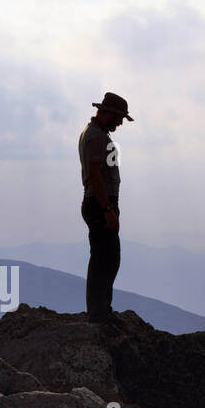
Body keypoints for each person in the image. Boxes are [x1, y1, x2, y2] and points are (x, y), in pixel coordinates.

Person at [79, 92, 132, 326]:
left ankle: (102, 309)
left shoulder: (97, 134)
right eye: (119, 118)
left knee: (108, 257)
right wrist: (108, 208)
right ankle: (98, 314)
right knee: (104, 258)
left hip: (101, 202)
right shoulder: (96, 137)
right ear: (108, 113)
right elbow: (95, 174)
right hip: (100, 203)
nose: (120, 123)